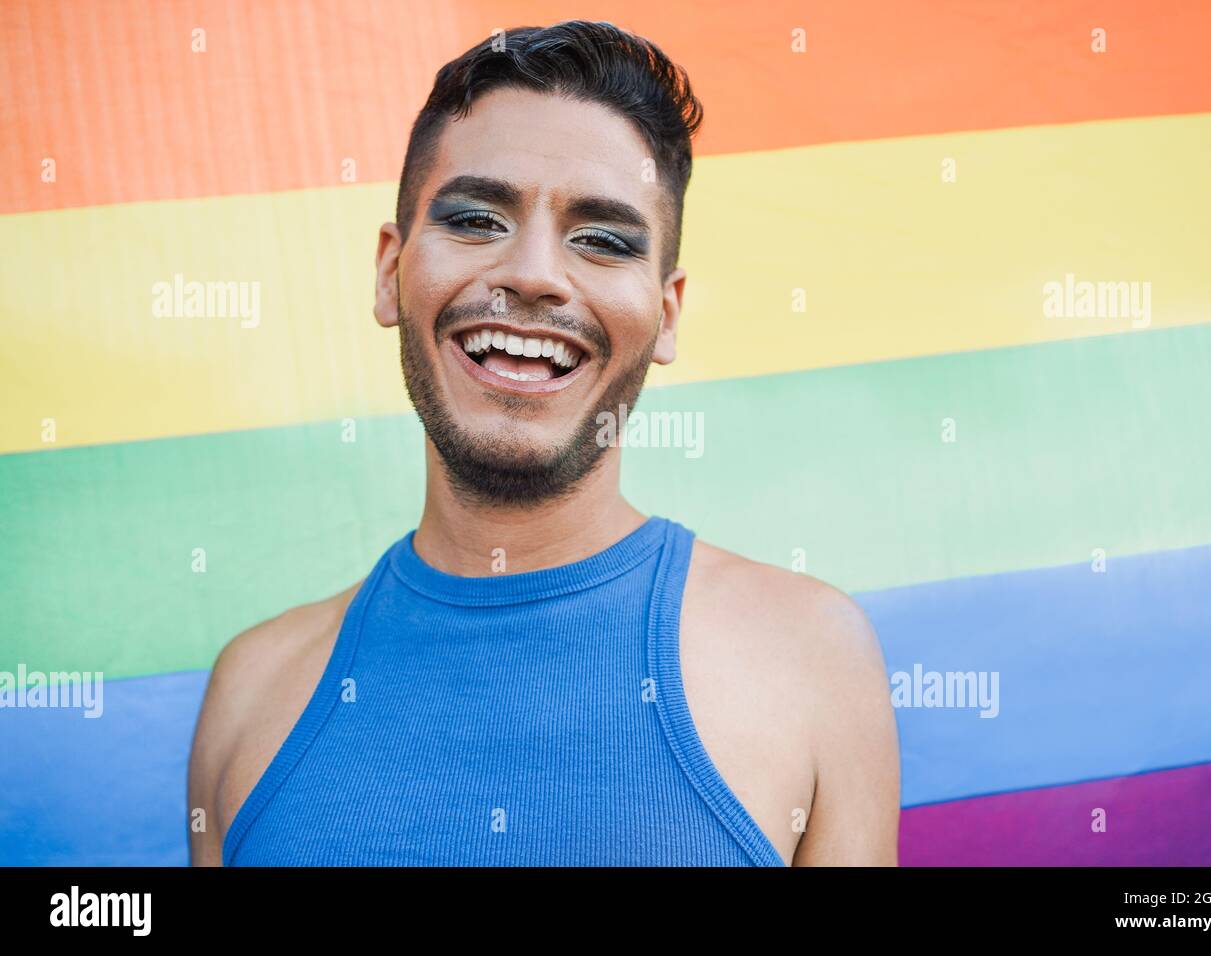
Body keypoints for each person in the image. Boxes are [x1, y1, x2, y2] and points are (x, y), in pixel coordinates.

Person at [188, 19, 899, 867]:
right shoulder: (251, 691)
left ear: (665, 314)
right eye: (477, 218)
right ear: (390, 269)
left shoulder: (813, 657)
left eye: (602, 240)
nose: (532, 274)